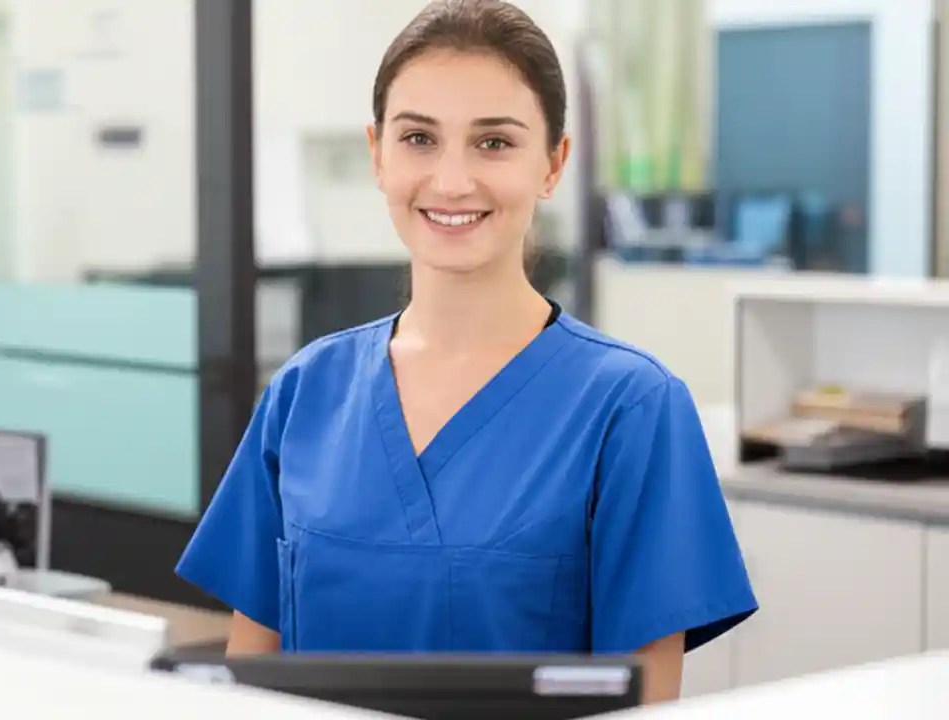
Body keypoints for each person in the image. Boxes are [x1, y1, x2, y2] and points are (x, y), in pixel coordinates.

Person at [176, 0, 756, 704]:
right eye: (419, 138)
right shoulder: (305, 394)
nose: (452, 181)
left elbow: (644, 704)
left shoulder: (631, 408)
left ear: (553, 163)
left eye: (494, 142)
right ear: (378, 154)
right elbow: (243, 695)